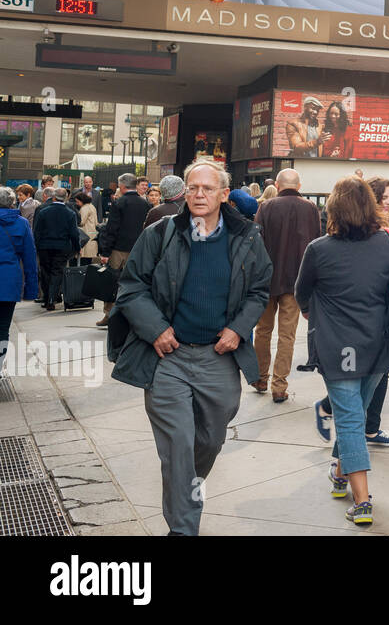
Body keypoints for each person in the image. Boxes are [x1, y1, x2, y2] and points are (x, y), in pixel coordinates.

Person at [111, 159, 274, 536]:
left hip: (218, 357)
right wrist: (156, 329)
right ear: (185, 191)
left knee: (210, 440)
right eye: (193, 187)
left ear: (223, 194)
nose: (200, 194)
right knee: (179, 445)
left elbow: (258, 291)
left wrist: (237, 328)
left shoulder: (246, 237)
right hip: (168, 357)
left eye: (208, 188)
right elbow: (131, 286)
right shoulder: (161, 233)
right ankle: (183, 528)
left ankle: (186, 482)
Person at [294, 177, 389, 525]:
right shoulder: (387, 243)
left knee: (350, 420)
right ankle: (340, 475)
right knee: (355, 414)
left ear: (333, 209)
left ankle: (363, 500)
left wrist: (316, 310)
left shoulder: (319, 249)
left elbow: (301, 295)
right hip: (378, 346)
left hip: (338, 347)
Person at [252, 169, 321, 404]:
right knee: (287, 335)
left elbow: (256, 243)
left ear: (278, 185)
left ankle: (260, 377)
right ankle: (279, 386)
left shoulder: (266, 207)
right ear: (299, 185)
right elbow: (317, 244)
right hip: (295, 280)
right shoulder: (311, 209)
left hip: (267, 280)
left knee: (262, 330)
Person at [96, 172, 153, 328]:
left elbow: (112, 229)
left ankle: (109, 314)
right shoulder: (146, 204)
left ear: (121, 186)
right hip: (138, 249)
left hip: (118, 250)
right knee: (134, 283)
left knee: (112, 282)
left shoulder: (119, 203)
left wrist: (105, 252)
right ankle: (131, 315)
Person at [0, 186, 40, 373]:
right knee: (2, 328)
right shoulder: (22, 223)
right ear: (13, 202)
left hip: (9, 279)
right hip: (9, 280)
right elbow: (30, 259)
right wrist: (31, 290)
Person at [33, 188, 81, 311]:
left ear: (54, 197)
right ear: (65, 198)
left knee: (45, 271)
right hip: (61, 247)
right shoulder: (70, 213)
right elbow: (74, 233)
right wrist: (77, 247)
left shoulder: (43, 211)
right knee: (57, 272)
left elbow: (37, 232)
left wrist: (36, 246)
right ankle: (52, 298)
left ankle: (47, 296)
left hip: (44, 246)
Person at [74, 192, 99, 266]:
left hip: (86, 234)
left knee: (83, 260)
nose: (77, 203)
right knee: (88, 260)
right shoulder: (92, 206)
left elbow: (81, 222)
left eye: (78, 201)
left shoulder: (84, 208)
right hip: (92, 234)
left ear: (82, 201)